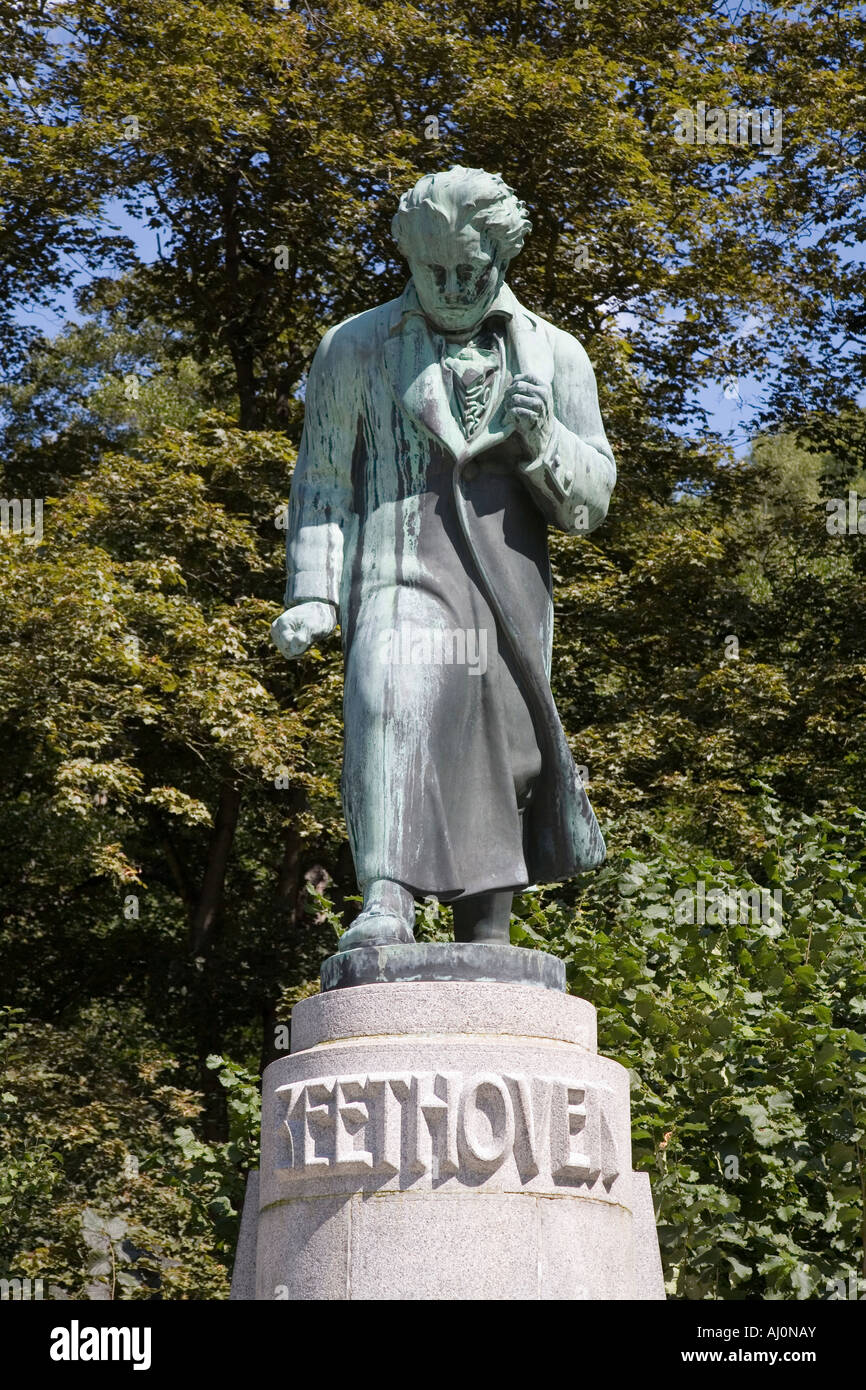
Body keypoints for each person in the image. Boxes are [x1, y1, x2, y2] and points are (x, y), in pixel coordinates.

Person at [272, 166, 616, 951]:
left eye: (475, 269)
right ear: (409, 259)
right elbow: (322, 479)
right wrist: (313, 594)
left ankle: (486, 934)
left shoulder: (556, 355)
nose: (457, 284)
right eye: (438, 270)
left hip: (507, 579)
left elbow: (591, 507)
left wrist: (545, 445)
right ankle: (387, 898)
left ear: (505, 259)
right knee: (389, 694)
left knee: (499, 743)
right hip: (397, 560)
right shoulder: (354, 348)